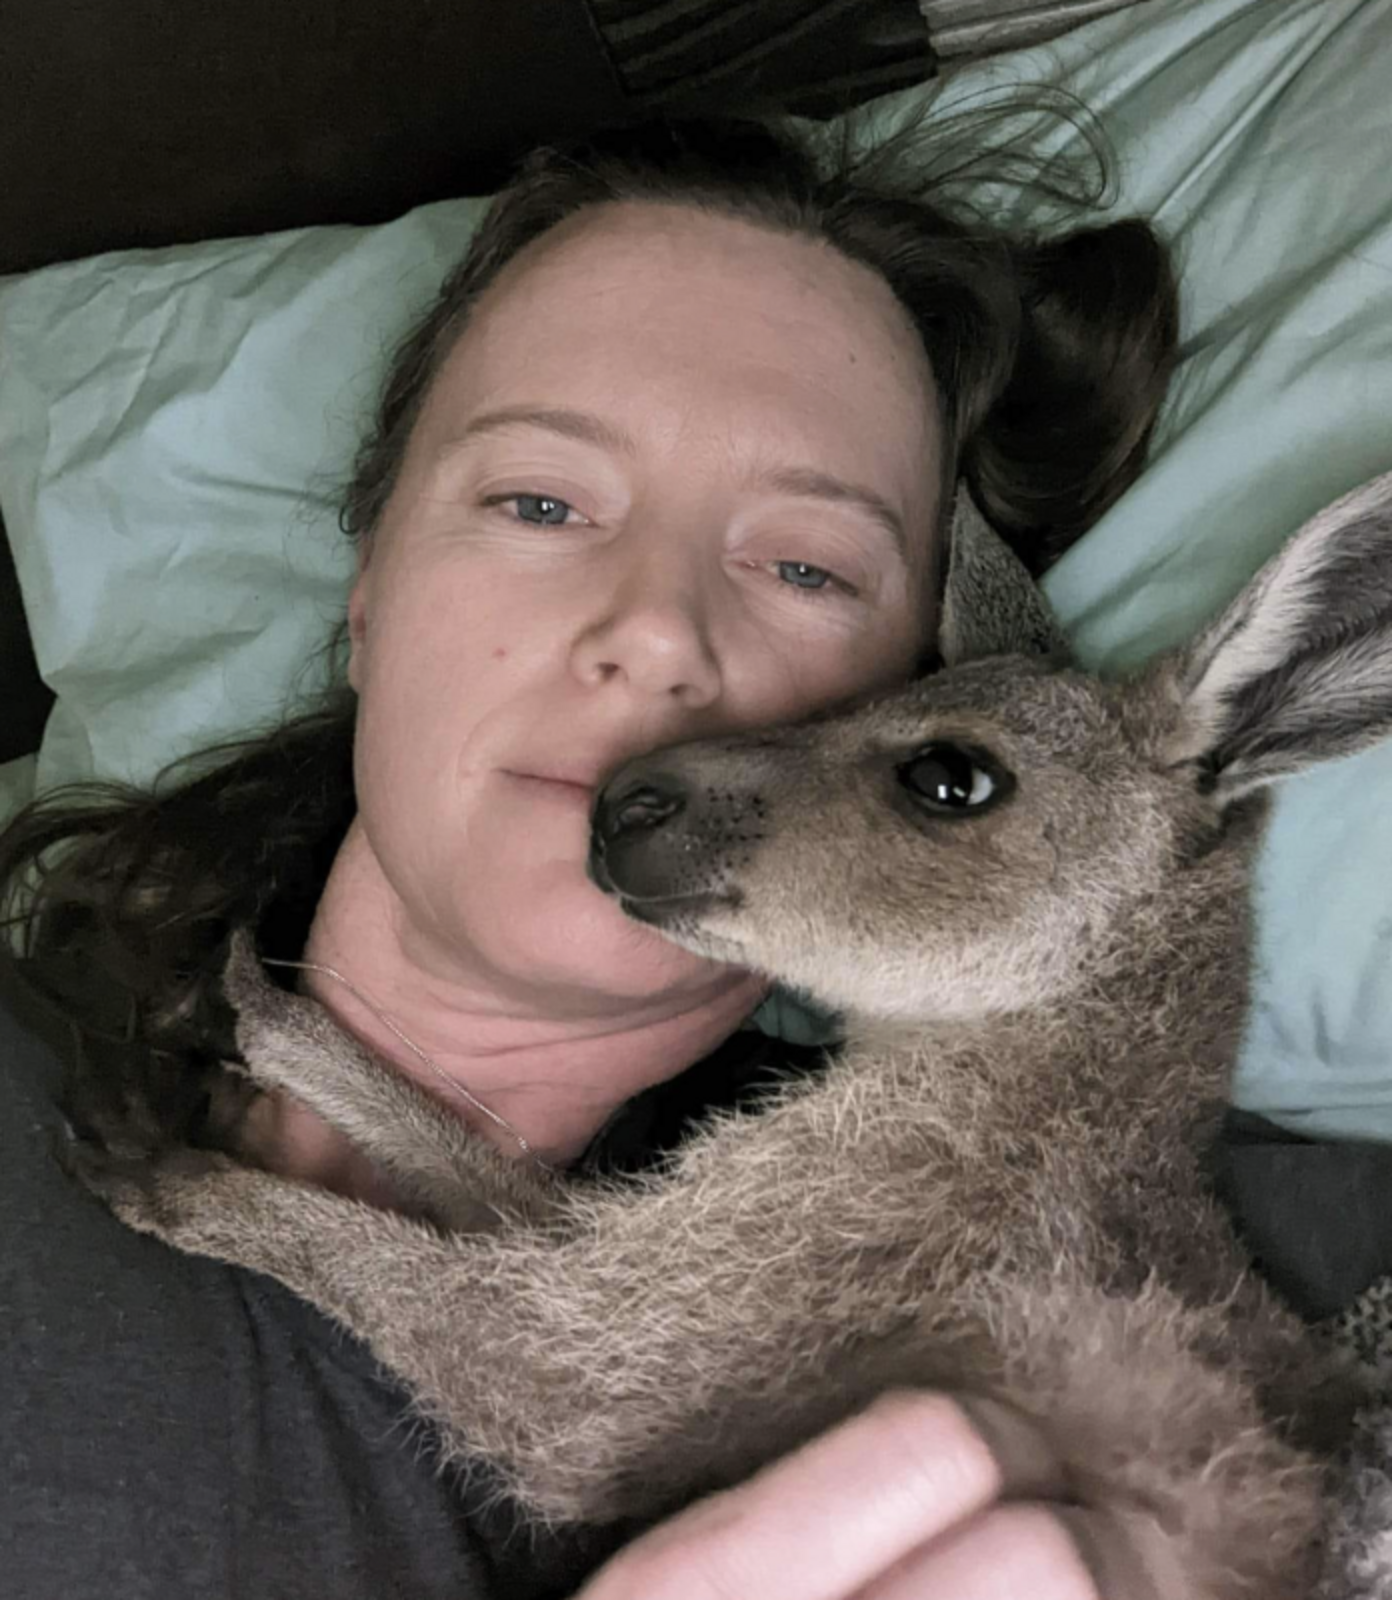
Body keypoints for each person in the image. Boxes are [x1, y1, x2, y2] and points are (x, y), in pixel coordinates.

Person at [0, 113, 1177, 1598]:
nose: (660, 632)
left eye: (806, 569)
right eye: (541, 503)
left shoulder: (1045, 1281)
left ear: (913, 700)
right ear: (370, 594)